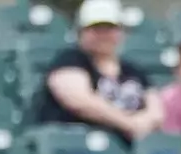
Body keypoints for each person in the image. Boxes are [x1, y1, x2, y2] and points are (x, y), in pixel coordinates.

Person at [32, 0, 162, 145]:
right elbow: (80, 102)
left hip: (129, 149)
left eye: (109, 29)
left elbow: (155, 109)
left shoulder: (133, 69)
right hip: (78, 147)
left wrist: (143, 122)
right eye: (95, 29)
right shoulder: (69, 60)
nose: (103, 35)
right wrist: (128, 123)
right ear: (80, 32)